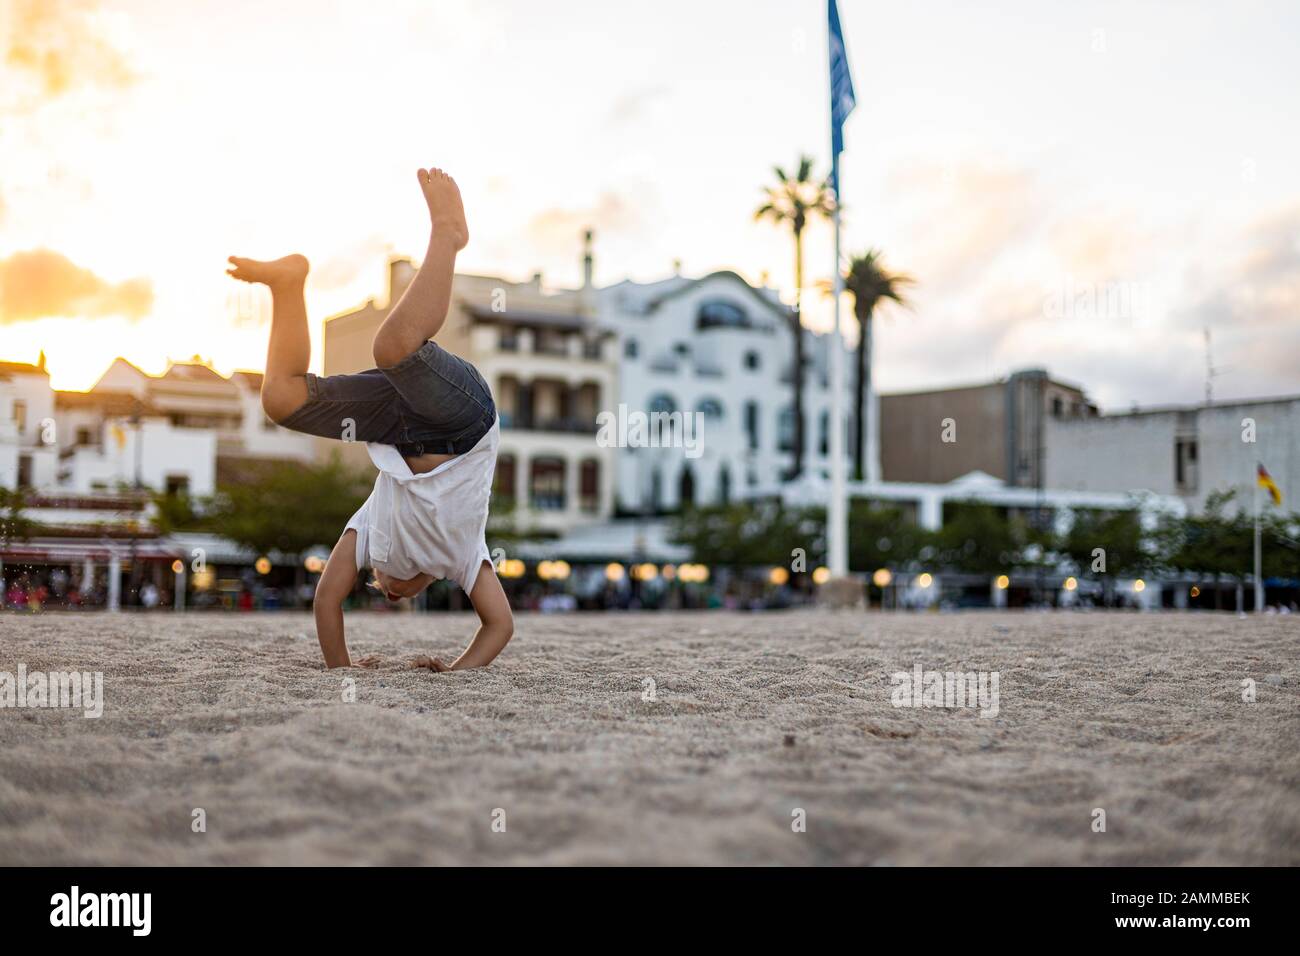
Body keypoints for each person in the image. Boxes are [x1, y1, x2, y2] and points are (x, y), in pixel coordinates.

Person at [227, 167, 513, 672]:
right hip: (463, 420)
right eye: (395, 594)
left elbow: (326, 600)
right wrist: (455, 671)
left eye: (378, 587)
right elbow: (499, 626)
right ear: (424, 584)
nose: (388, 590)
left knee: (281, 400)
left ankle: (288, 283)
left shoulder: (371, 534)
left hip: (394, 424)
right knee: (392, 349)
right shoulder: (463, 558)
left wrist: (343, 668)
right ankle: (448, 235)